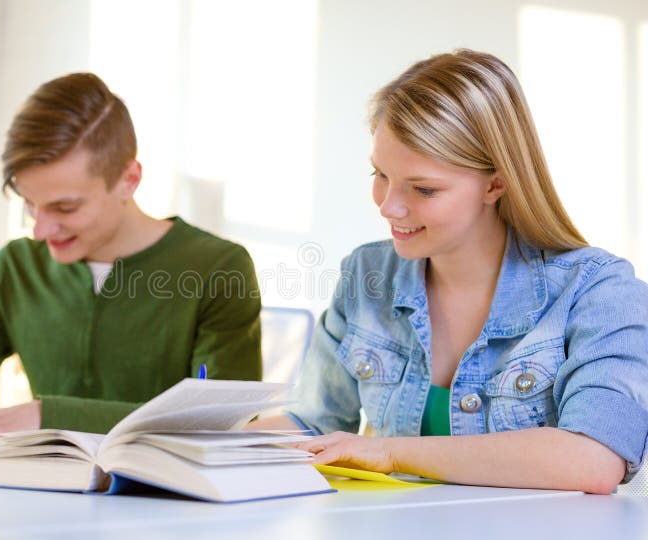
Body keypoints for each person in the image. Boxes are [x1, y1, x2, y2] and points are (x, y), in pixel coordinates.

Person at [249, 49, 648, 494]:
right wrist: (206, 443)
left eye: (423, 189)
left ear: (495, 184)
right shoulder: (367, 273)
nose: (388, 206)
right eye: (380, 174)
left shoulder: (598, 290)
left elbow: (594, 459)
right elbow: (313, 423)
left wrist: (391, 452)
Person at [0, 73, 262, 439]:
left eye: (65, 207)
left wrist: (42, 415)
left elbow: (223, 421)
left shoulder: (219, 269)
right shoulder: (15, 267)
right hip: (39, 477)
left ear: (129, 180)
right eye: (30, 203)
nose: (40, 230)